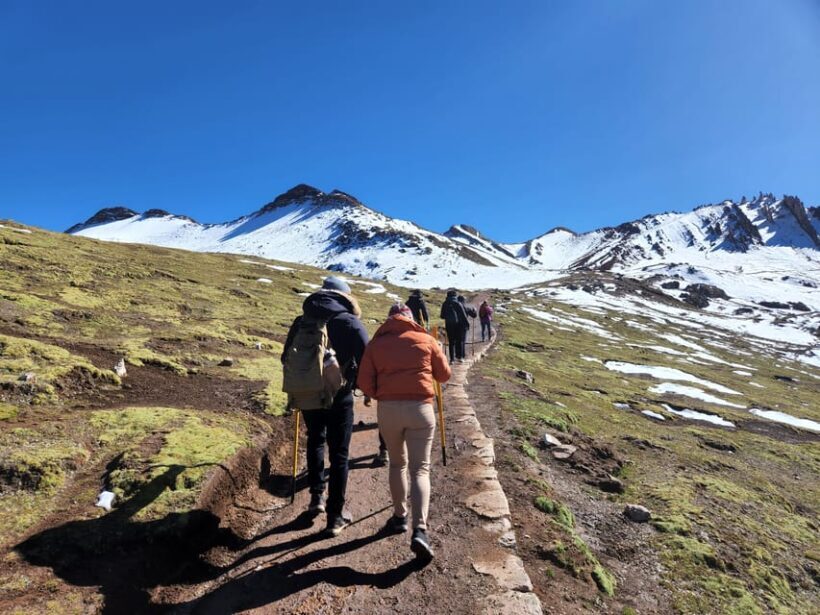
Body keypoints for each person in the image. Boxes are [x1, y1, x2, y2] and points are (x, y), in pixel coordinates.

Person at [358, 302, 452, 561]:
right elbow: (444, 376)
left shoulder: (376, 344)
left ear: (389, 320)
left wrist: (383, 394)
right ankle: (420, 530)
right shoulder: (426, 339)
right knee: (420, 468)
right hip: (421, 408)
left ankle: (399, 517)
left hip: (388, 409)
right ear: (411, 319)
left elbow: (364, 381)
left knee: (397, 464)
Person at [281, 276, 369, 536]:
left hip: (308, 393)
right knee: (339, 453)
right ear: (345, 296)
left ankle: (316, 498)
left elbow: (285, 356)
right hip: (339, 395)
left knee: (315, 440)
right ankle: (335, 516)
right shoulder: (349, 321)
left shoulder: (302, 320)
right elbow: (367, 357)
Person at [440, 290, 469, 363]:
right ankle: (460, 358)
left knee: (451, 342)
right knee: (459, 341)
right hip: (458, 325)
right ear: (455, 296)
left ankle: (451, 359)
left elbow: (442, 316)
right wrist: (467, 324)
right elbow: (463, 315)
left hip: (449, 325)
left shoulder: (445, 303)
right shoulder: (458, 303)